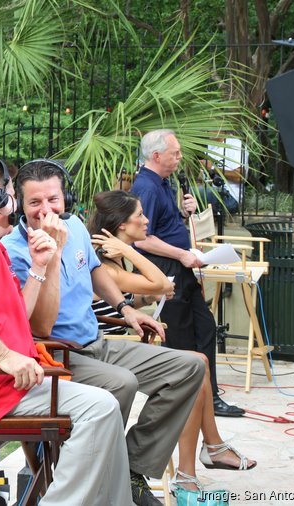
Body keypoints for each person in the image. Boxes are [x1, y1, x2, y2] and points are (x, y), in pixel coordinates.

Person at [0, 155, 131, 505]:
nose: (16, 203)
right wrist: (5, 356)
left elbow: (16, 315)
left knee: (105, 406)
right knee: (102, 409)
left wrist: (39, 266)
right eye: (10, 192)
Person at [1, 160, 204, 506]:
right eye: (35, 203)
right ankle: (102, 477)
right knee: (122, 382)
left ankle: (130, 466)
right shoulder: (14, 251)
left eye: (52, 200)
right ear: (20, 204)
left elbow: (95, 271)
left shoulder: (75, 226)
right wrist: (53, 252)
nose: (45, 210)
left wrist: (126, 310)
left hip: (98, 341)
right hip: (60, 355)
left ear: (66, 198)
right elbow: (40, 327)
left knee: (191, 367)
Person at [89, 190, 257, 493]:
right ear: (122, 227)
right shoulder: (109, 264)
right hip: (104, 346)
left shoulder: (112, 262)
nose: (146, 220)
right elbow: (163, 283)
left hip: (117, 333)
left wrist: (144, 298)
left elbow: (138, 295)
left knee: (197, 364)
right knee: (196, 366)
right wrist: (132, 252)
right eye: (139, 215)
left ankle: (201, 459)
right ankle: (202, 458)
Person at [130, 129, 245, 417]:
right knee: (181, 335)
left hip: (181, 268)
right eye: (175, 153)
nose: (180, 157)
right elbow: (142, 238)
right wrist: (182, 254)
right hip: (167, 270)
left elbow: (164, 225)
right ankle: (191, 399)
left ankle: (209, 395)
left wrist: (183, 214)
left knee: (205, 327)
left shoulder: (163, 183)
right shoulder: (146, 187)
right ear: (156, 155)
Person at [199, 136, 245, 215]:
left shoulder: (234, 144)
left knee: (188, 193)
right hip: (211, 192)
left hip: (229, 197)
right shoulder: (210, 145)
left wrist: (213, 168)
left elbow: (240, 177)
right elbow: (202, 178)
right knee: (182, 191)